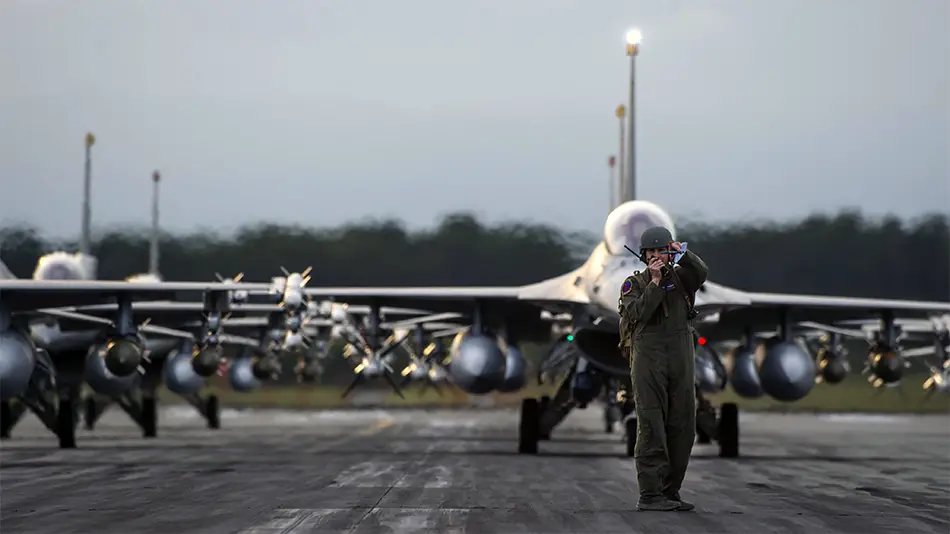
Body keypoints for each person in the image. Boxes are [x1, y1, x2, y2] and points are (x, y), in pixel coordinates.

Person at [618, 226, 708, 512]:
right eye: (651, 252)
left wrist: (684, 254)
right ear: (643, 256)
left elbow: (701, 273)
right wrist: (655, 284)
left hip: (681, 355)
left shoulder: (683, 280)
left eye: (662, 251)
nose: (656, 256)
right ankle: (651, 494)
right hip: (649, 358)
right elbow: (636, 314)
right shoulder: (634, 285)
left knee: (683, 426)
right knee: (652, 424)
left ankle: (671, 492)